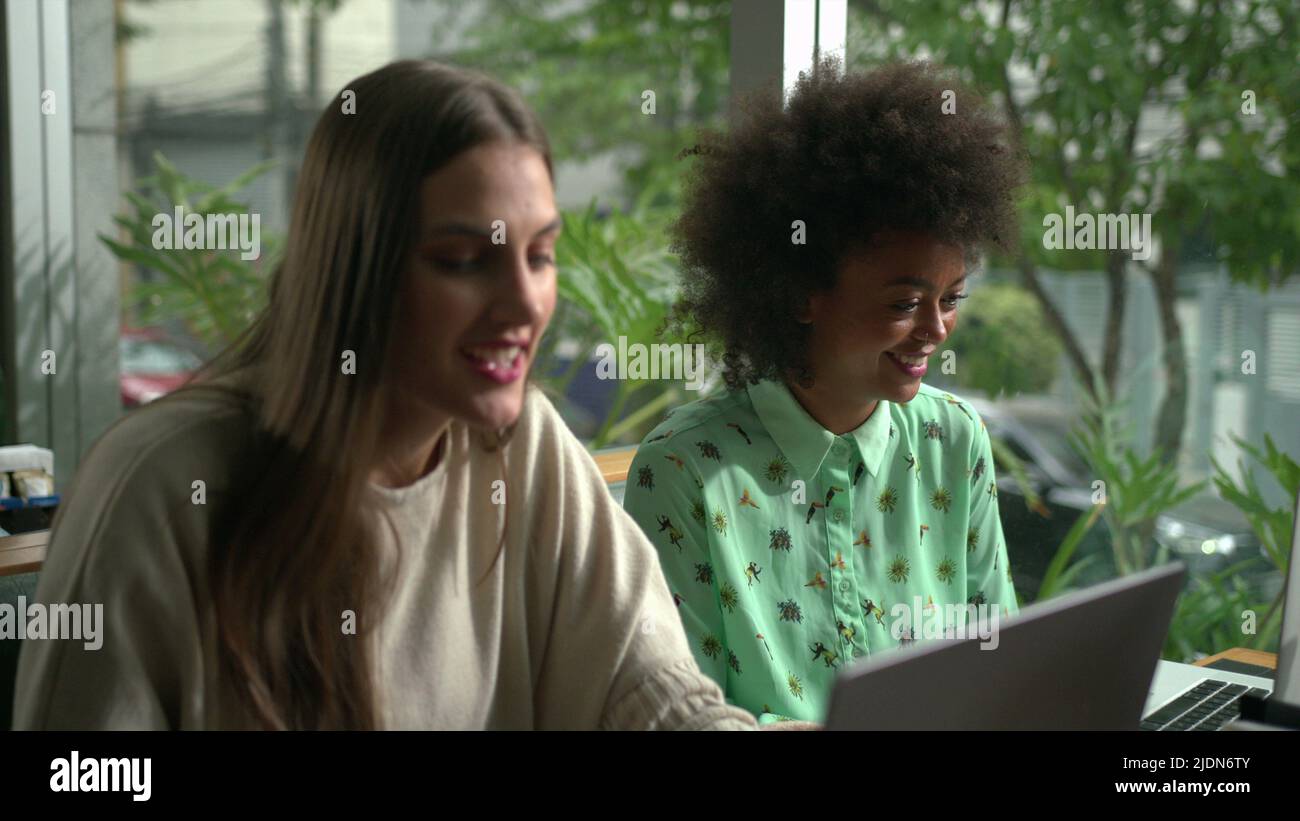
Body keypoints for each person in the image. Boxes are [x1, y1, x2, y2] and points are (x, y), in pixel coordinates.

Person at [14, 60, 755, 731]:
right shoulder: (161, 487)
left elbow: (650, 690)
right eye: (465, 260)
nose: (525, 303)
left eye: (542, 255)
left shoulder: (525, 444)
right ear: (354, 270)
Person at [623, 57, 1028, 726]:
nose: (935, 329)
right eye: (906, 300)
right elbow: (682, 718)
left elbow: (998, 661)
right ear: (803, 292)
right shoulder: (685, 469)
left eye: (951, 298)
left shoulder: (954, 438)